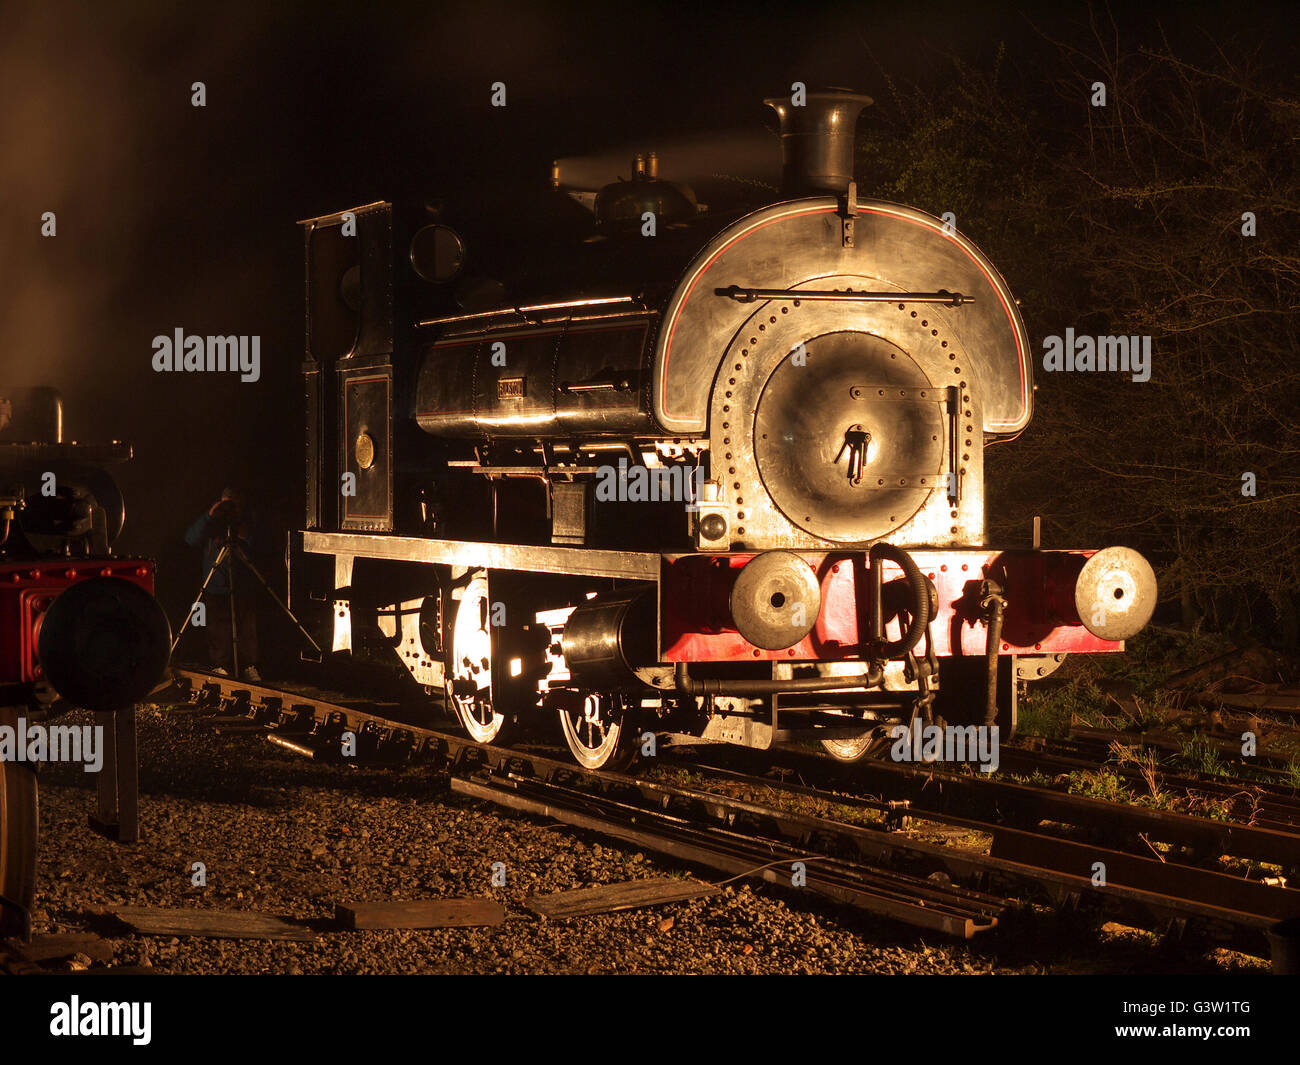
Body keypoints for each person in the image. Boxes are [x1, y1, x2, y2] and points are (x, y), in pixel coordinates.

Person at [184, 488, 260, 681]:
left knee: (246, 627)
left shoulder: (246, 523)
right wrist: (209, 516)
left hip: (242, 585)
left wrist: (243, 533)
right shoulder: (210, 525)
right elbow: (191, 538)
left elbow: (257, 545)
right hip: (215, 584)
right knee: (217, 627)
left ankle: (248, 665)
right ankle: (220, 665)